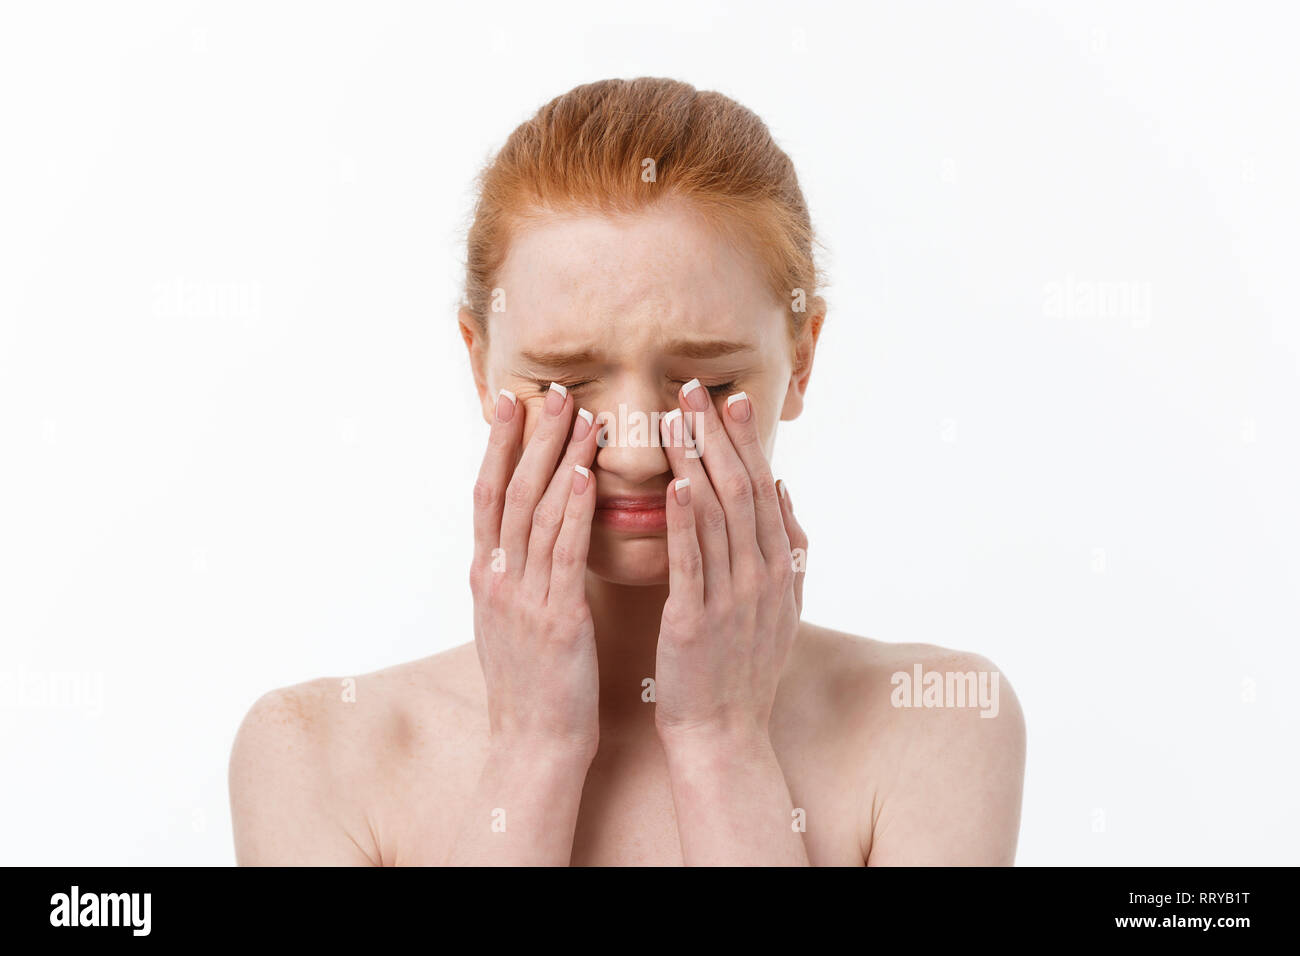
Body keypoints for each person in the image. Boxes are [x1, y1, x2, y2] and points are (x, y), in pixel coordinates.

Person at [229, 77, 1026, 865]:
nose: (642, 450)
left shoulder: (937, 730)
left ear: (803, 357)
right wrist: (534, 749)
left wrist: (722, 742)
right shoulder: (312, 758)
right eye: (565, 385)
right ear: (480, 366)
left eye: (710, 385)